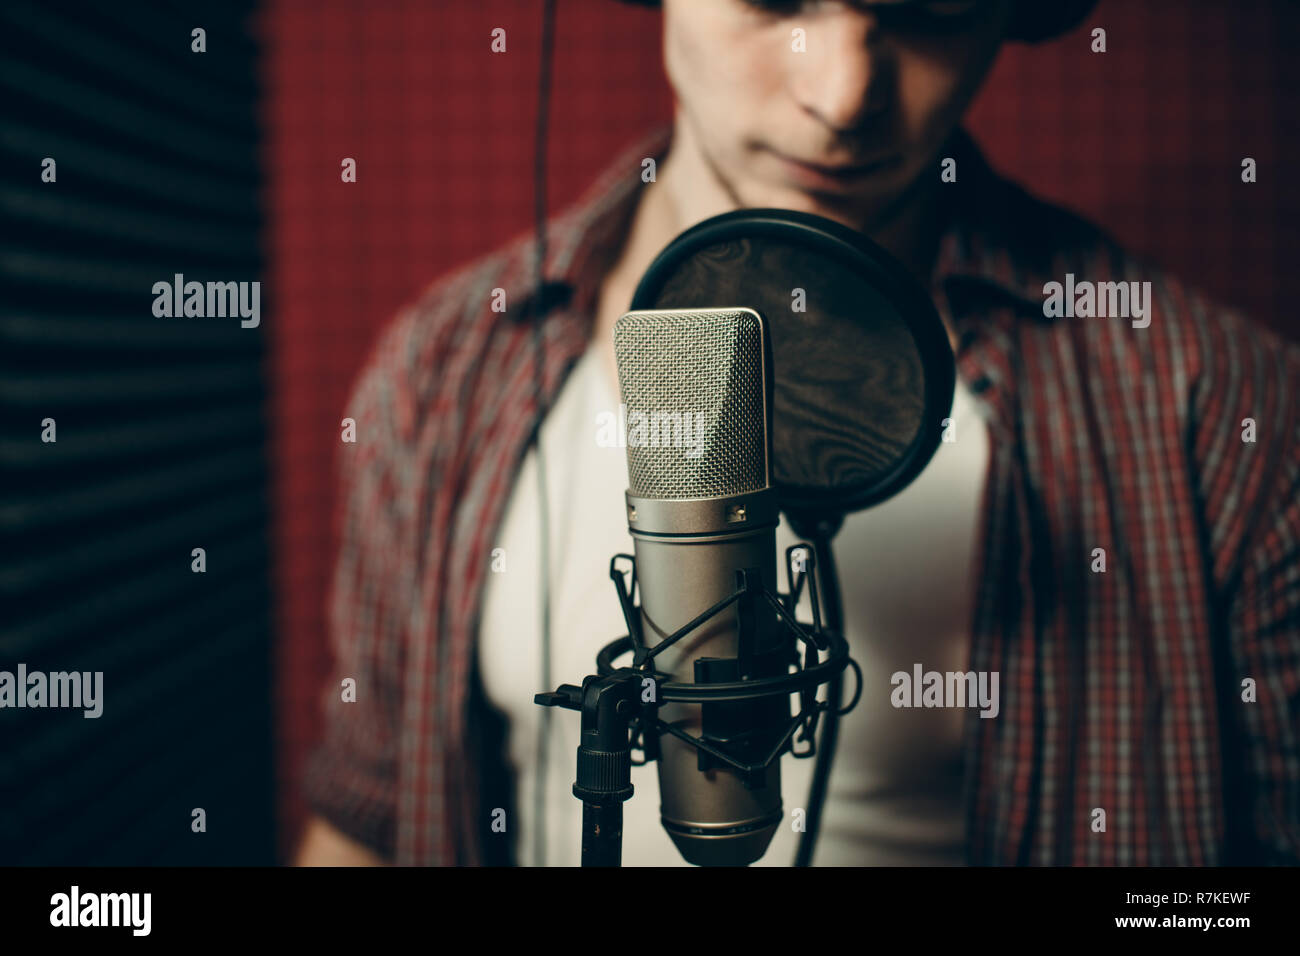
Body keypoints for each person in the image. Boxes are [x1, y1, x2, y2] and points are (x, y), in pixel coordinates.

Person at [296, 0, 1300, 866]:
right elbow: (365, 824)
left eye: (931, 11)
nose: (844, 95)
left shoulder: (1217, 407)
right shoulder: (441, 371)